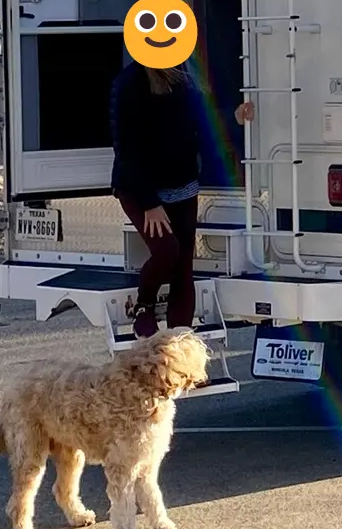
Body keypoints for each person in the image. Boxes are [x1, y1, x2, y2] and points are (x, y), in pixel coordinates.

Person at [109, 59, 254, 338]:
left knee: (183, 268)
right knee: (167, 250)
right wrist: (150, 203)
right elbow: (124, 148)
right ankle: (144, 305)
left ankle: (181, 344)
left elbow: (203, 119)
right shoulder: (128, 82)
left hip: (182, 183)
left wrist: (234, 116)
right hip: (139, 188)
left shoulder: (184, 76)